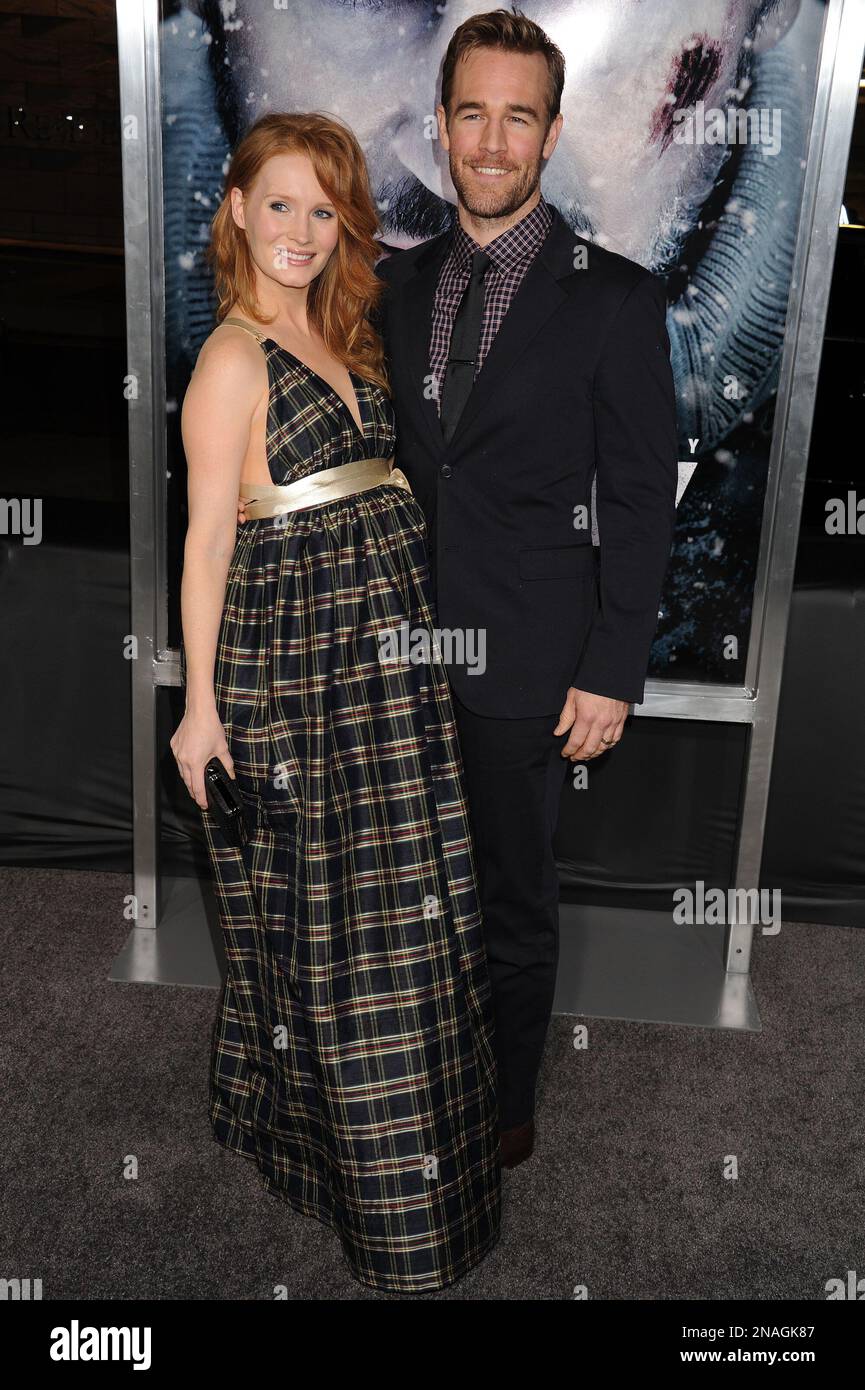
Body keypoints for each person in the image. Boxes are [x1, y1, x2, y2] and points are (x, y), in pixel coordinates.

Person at [170, 111, 501, 1294]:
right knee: (338, 932)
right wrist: (199, 708)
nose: (301, 231)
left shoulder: (346, 336)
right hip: (296, 670)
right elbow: (207, 541)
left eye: (324, 208)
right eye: (280, 206)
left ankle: (425, 1176)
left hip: (387, 674)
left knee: (409, 919)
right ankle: (361, 1188)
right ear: (239, 212)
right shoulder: (230, 358)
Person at [372, 10, 680, 1167]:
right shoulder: (398, 290)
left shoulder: (614, 299)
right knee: (407, 888)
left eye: (518, 116)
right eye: (471, 114)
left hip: (530, 662)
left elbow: (642, 502)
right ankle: (403, 1075)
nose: (491, 141)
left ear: (551, 134)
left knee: (510, 899)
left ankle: (502, 1109)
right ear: (442, 127)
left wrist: (611, 670)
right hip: (402, 660)